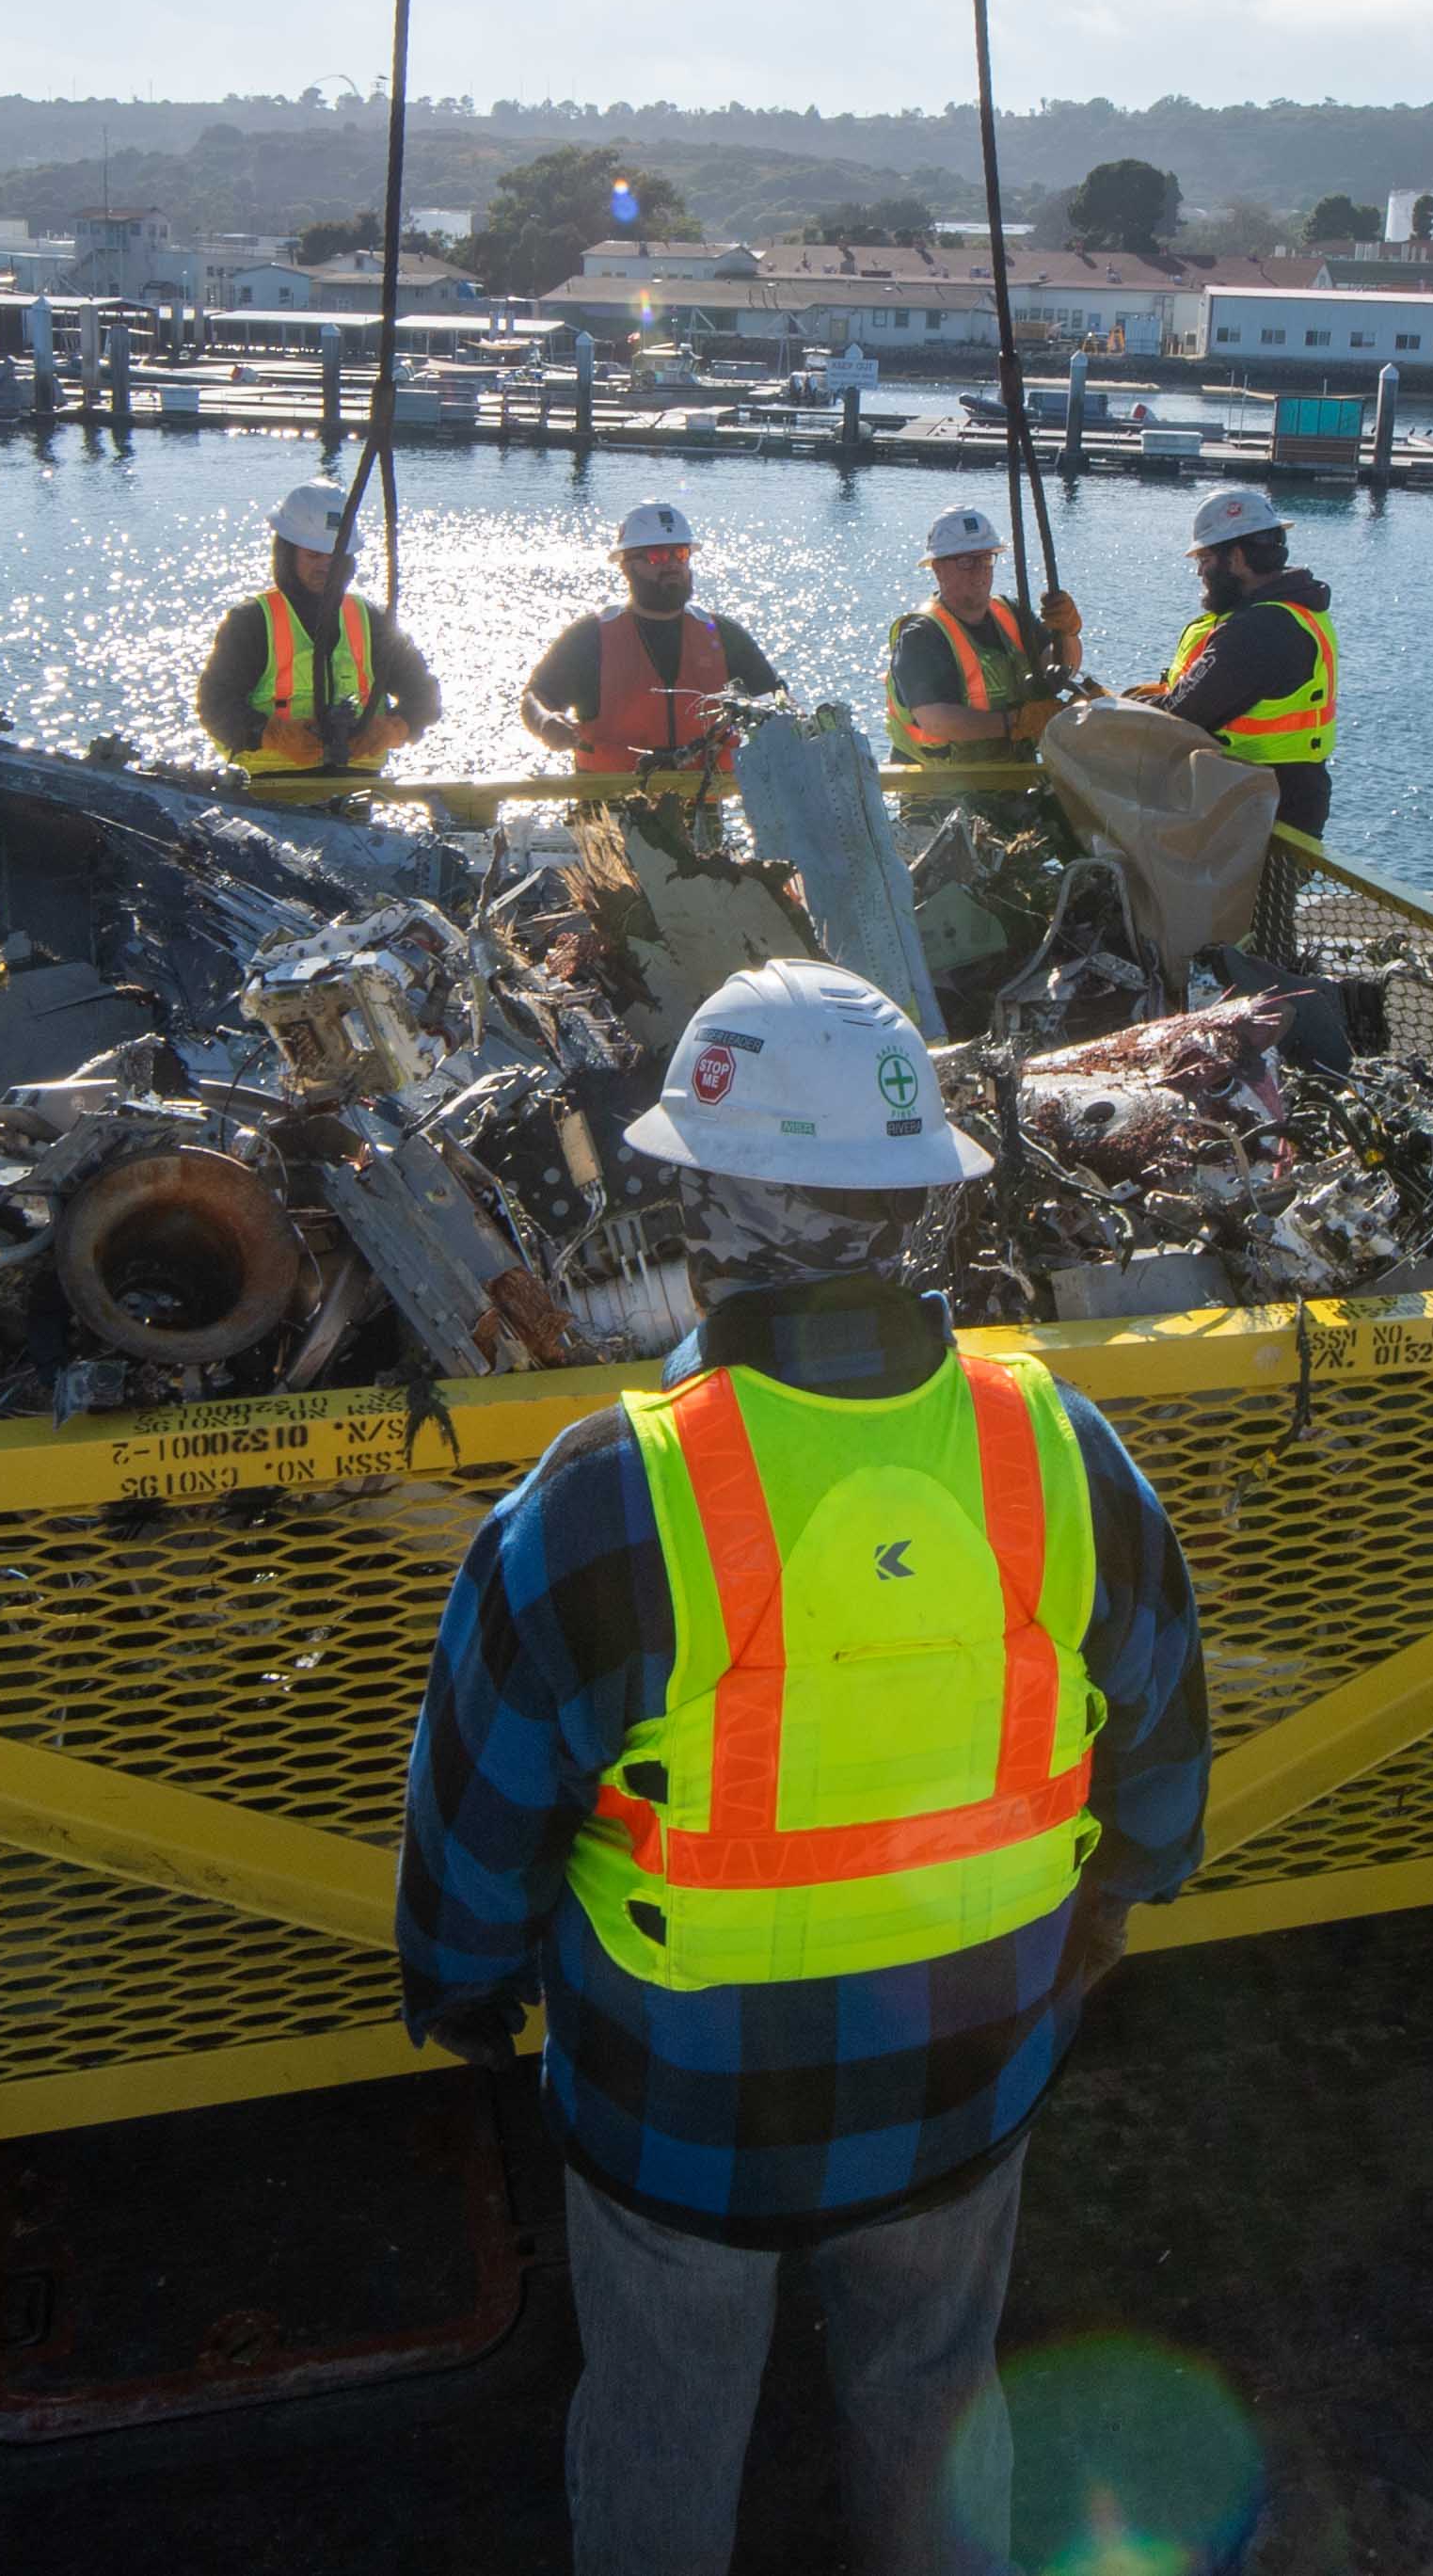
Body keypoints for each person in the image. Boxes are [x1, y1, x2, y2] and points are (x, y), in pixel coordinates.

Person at [398, 960, 1209, 2576]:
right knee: (930, 2385)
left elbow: (477, 1830)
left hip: (676, 2102)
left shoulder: (602, 1500)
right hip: (975, 2056)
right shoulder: (1058, 1447)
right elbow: (1160, 1764)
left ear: (698, 1196)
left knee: (661, 2414)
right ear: (921, 1205)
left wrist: (467, 1995)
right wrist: (1103, 1918)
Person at [519, 499, 787, 776]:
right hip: (610, 805)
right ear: (626, 566)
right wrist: (545, 722)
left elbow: (775, 700)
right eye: (657, 556)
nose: (672, 565)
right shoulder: (591, 637)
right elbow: (537, 696)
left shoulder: (724, 635)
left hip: (701, 801)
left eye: (680, 554)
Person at [198, 479, 442, 776]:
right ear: (288, 554)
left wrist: (392, 728)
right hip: (269, 787)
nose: (326, 566)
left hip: (358, 786)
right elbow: (215, 704)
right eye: (313, 555)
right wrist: (273, 734)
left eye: (335, 556)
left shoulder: (372, 620)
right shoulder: (252, 622)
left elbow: (424, 694)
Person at [1138, 488, 1336, 839]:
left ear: (1238, 558)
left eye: (1206, 559)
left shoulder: (1260, 630)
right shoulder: (1293, 612)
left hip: (1259, 813)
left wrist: (1111, 710)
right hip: (1272, 801)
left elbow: (1182, 713)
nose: (1200, 571)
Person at [883, 505, 1081, 762]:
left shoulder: (1011, 613)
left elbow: (1064, 667)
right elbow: (936, 721)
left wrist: (1068, 632)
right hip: (938, 789)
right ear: (938, 569)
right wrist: (1015, 723)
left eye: (985, 559)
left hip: (1012, 777)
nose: (979, 570)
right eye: (966, 561)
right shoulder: (921, 634)